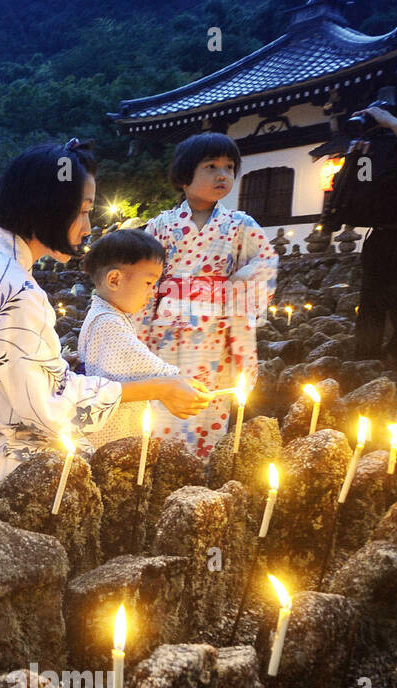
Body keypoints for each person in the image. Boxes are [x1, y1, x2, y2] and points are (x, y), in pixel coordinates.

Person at [0, 141, 209, 501]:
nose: (87, 227)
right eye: (81, 212)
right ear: (46, 208)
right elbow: (45, 403)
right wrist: (157, 388)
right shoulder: (15, 287)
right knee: (78, 460)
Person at [135, 132, 277, 458]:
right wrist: (138, 333)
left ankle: (202, 465)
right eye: (211, 166)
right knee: (167, 396)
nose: (222, 174)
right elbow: (144, 279)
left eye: (229, 167)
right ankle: (161, 462)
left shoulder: (240, 224)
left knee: (211, 401)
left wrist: (238, 283)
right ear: (184, 177)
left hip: (218, 331)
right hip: (167, 332)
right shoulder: (160, 226)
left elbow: (266, 259)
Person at [78, 230, 207, 449]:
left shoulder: (106, 315)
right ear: (114, 279)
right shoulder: (108, 322)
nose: (153, 292)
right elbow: (135, 358)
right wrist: (174, 378)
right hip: (111, 430)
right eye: (149, 283)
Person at [358, 60, 397, 369]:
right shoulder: (393, 135)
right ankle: (363, 362)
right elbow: (369, 180)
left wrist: (391, 122)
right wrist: (363, 158)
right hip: (383, 230)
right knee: (370, 298)